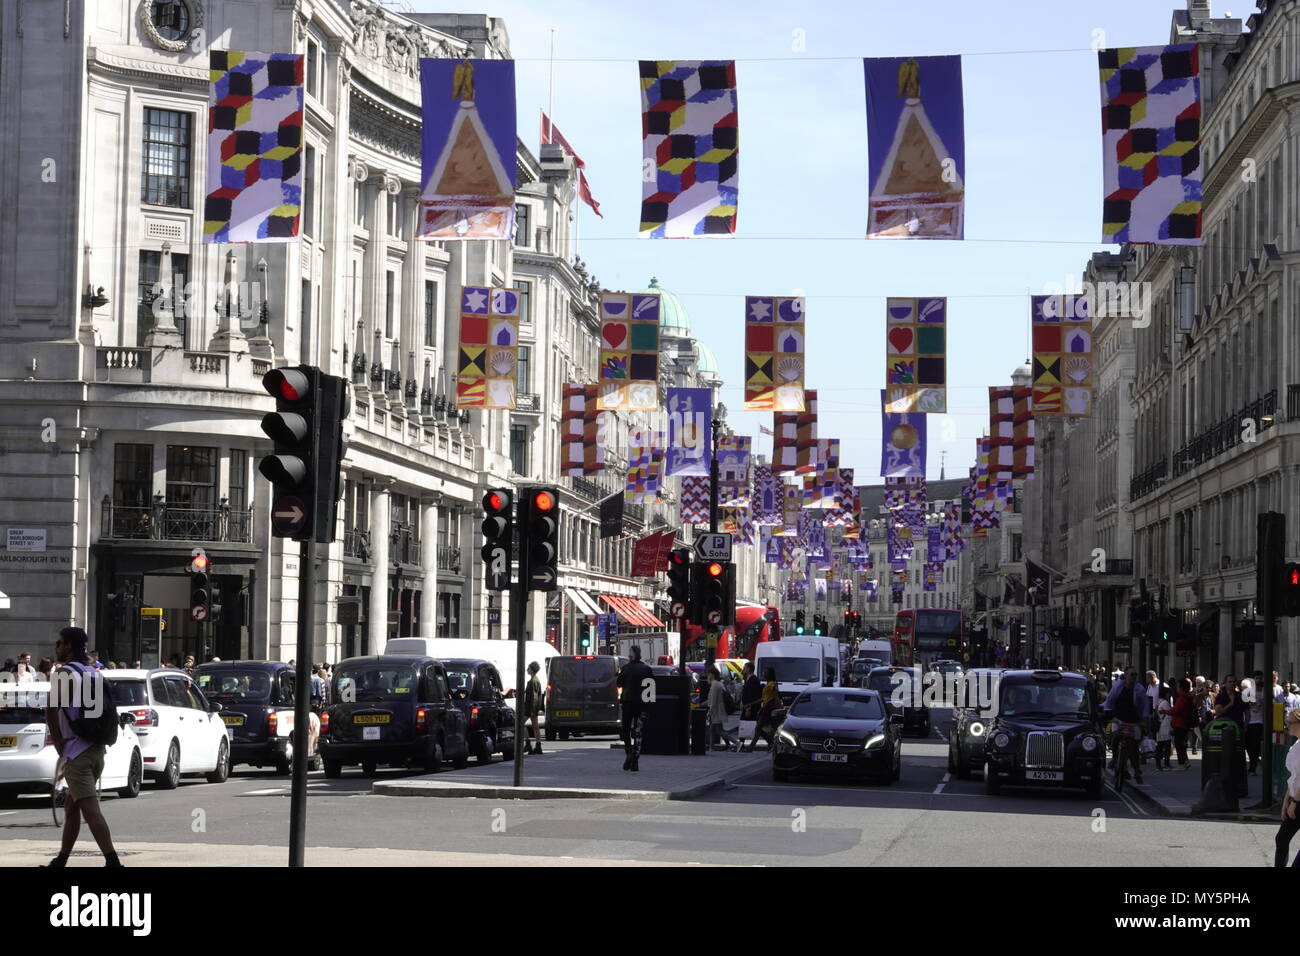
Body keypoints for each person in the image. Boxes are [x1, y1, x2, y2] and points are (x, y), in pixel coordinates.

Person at [43, 627, 121, 868]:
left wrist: (59, 745)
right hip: (97, 750)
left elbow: (51, 710)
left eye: (60, 643)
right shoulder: (94, 672)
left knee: (89, 809)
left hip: (76, 752)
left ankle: (113, 862)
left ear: (69, 646)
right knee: (71, 806)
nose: (56, 647)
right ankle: (61, 860)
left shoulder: (64, 673)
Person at [1103, 667, 1150, 785]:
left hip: (1134, 720)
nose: (1134, 677)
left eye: (1135, 674)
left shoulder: (1140, 689)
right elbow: (1110, 700)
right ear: (1126, 675)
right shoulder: (1118, 686)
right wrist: (1108, 713)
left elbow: (1144, 706)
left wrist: (1144, 720)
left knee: (1133, 747)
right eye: (1131, 674)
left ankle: (1137, 771)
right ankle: (1115, 759)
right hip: (1119, 719)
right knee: (1115, 738)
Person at [614, 646, 652, 772]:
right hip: (641, 704)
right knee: (638, 731)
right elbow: (651, 687)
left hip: (628, 702)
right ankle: (635, 760)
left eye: (630, 652)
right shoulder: (646, 669)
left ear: (633, 654)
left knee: (625, 729)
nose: (628, 654)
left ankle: (628, 752)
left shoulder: (626, 669)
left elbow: (618, 683)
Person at [1276, 708, 1300, 867]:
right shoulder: (1296, 744)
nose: (1287, 726)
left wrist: (1295, 802)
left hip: (1299, 800)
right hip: (1294, 798)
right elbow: (1293, 777)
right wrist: (1286, 800)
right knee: (1282, 838)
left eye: (1290, 722)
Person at [743, 668, 780, 752]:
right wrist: (752, 703)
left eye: (765, 672)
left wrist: (778, 708)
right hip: (765, 707)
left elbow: (776, 696)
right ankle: (771, 743)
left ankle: (752, 747)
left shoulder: (773, 684)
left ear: (769, 674)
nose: (763, 673)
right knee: (760, 728)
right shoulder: (767, 684)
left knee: (759, 727)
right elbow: (763, 698)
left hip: (769, 708)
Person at [707, 667, 737, 751]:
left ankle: (737, 743)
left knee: (719, 731)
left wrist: (710, 712)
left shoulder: (715, 685)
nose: (707, 676)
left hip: (717, 711)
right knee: (713, 729)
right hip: (718, 710)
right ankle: (711, 747)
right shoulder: (718, 684)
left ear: (712, 675)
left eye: (708, 674)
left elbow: (713, 701)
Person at [1170, 678, 1194, 769]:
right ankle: (1185, 761)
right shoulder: (1187, 697)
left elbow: (1176, 710)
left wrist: (1164, 711)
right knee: (1182, 744)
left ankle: (1181, 763)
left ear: (1181, 687)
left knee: (1179, 744)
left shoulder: (1182, 698)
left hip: (1180, 723)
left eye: (1178, 686)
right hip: (1185, 722)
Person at [1245, 671, 1266, 775]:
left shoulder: (1265, 692)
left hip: (1261, 722)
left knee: (1256, 745)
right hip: (1250, 722)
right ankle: (1253, 764)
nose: (1259, 680)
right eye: (1256, 678)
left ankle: (1253, 767)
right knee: (1249, 746)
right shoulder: (1248, 692)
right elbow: (1244, 707)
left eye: (1260, 678)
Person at [523, 661, 544, 755]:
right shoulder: (535, 680)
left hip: (530, 708)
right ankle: (538, 746)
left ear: (532, 670)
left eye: (529, 668)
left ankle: (528, 743)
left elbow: (534, 697)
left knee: (519, 723)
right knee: (535, 727)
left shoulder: (533, 681)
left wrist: (532, 710)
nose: (527, 669)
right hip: (533, 708)